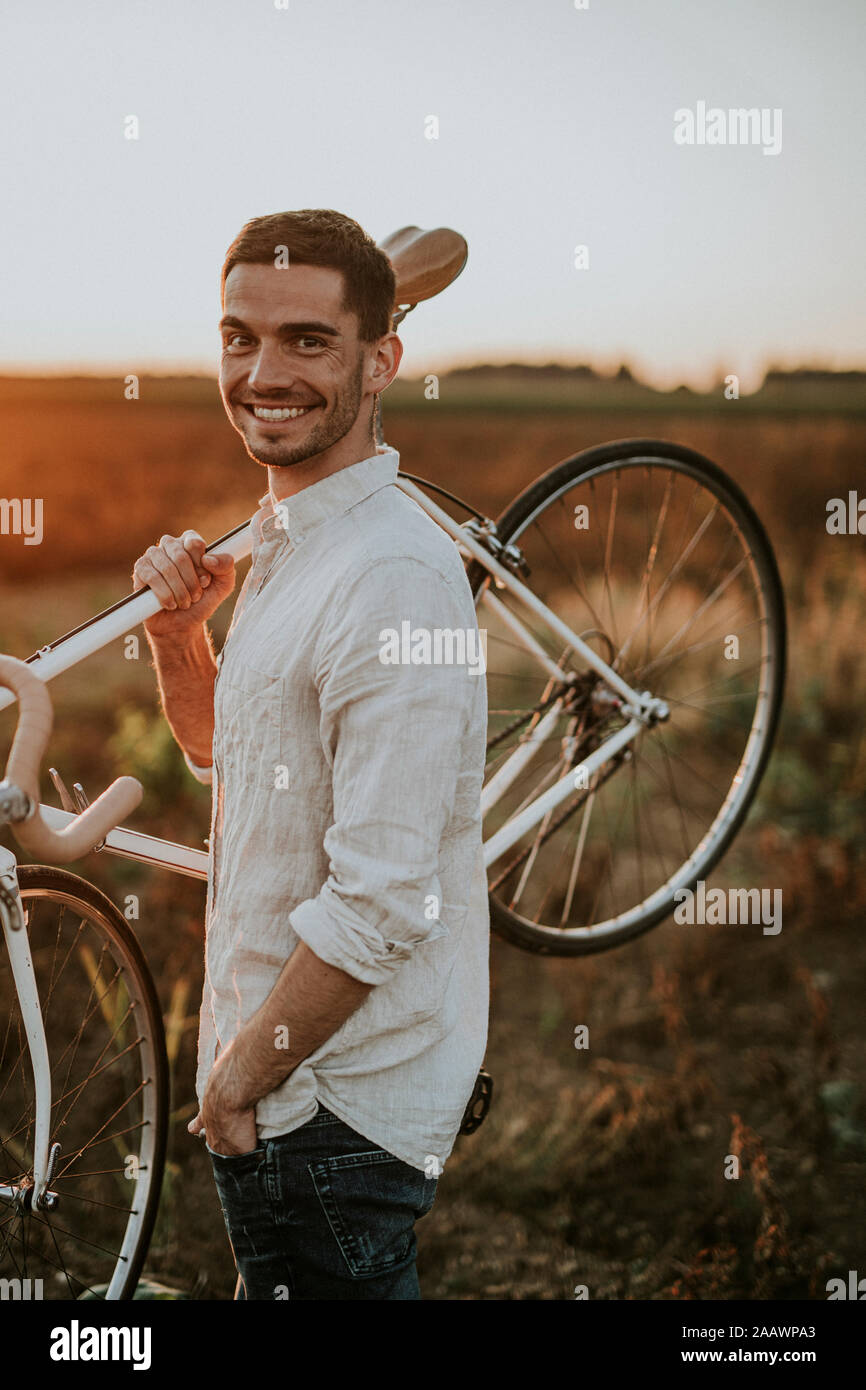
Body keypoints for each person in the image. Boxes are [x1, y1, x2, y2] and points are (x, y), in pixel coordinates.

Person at [133, 209, 490, 1300]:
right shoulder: (290, 542)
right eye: (240, 337)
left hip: (326, 1109)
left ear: (381, 360)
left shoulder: (390, 578)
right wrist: (178, 637)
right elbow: (231, 766)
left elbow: (381, 902)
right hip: (287, 1090)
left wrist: (239, 1085)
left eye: (305, 341)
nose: (262, 371)